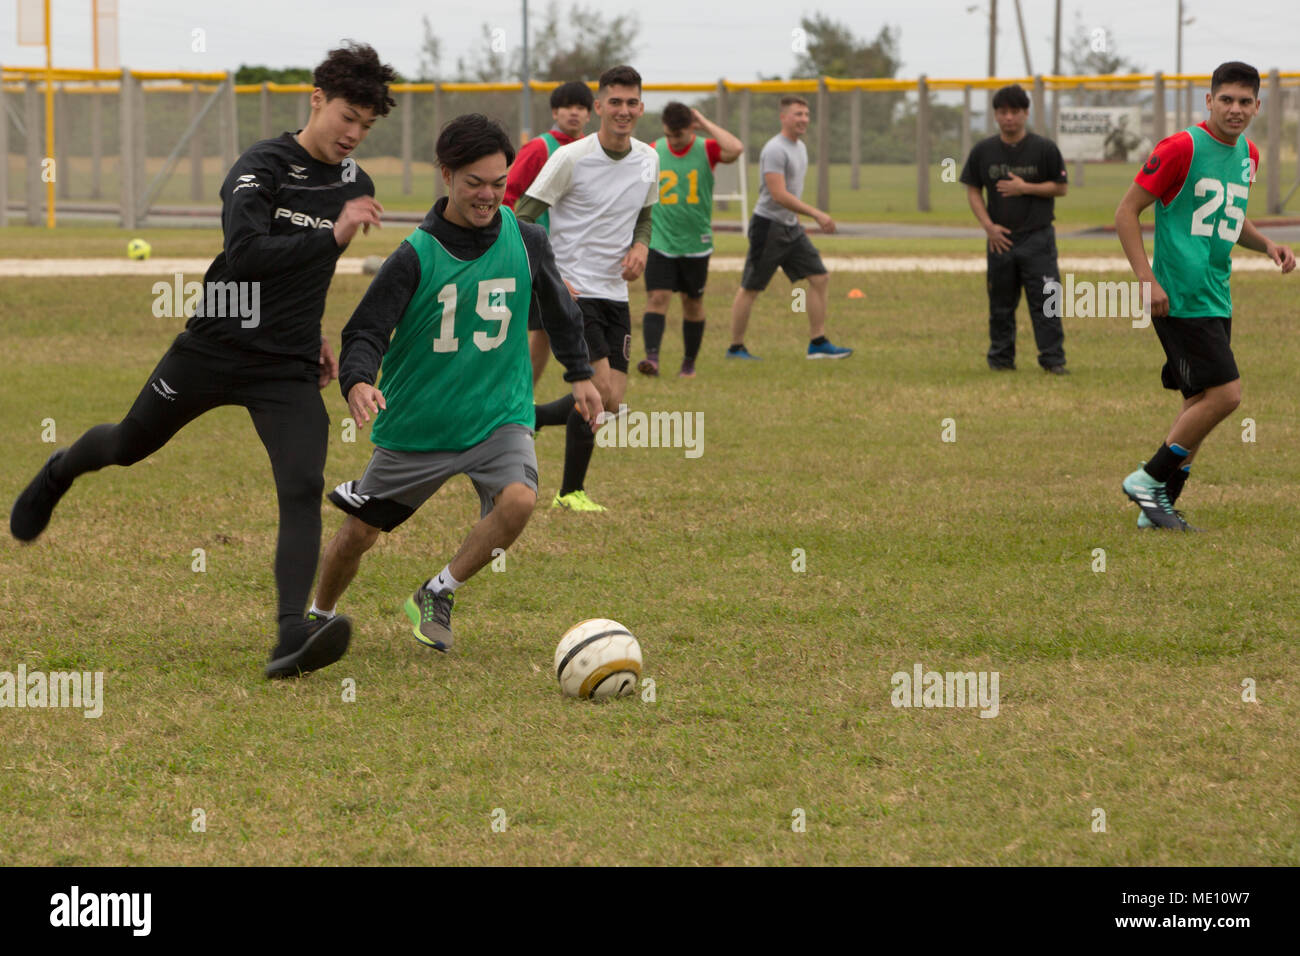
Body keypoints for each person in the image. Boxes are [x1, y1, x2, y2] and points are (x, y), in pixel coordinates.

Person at [9, 42, 395, 679]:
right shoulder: (259, 167)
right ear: (317, 99)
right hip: (214, 344)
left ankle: (288, 638)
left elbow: (309, 274)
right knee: (130, 444)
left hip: (288, 365)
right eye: (347, 116)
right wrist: (331, 235)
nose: (354, 134)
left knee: (301, 487)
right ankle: (59, 471)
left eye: (367, 125)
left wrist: (317, 331)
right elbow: (245, 256)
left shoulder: (357, 186)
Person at [311, 114, 601, 651]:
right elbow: (366, 331)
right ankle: (317, 614)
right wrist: (356, 381)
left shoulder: (527, 237)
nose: (488, 195)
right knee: (359, 534)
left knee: (518, 501)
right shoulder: (413, 256)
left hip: (498, 416)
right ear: (446, 176)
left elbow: (559, 310)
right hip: (420, 425)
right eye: (475, 183)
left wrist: (580, 375)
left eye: (499, 182)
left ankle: (438, 591)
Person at [1115, 61, 1295, 531]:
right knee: (1226, 395)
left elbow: (1229, 219)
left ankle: (1160, 508)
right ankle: (1147, 479)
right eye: (1226, 100)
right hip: (1178, 296)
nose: (1235, 110)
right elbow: (1126, 212)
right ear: (1209, 101)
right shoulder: (1181, 148)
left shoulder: (1248, 155)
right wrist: (1145, 278)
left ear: (1258, 106)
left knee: (1197, 403)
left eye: (1244, 101)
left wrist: (1268, 246)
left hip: (1217, 295)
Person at [514, 65, 659, 513]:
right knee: (596, 395)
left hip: (616, 292)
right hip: (574, 293)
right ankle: (570, 493)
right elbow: (522, 218)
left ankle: (522, 419)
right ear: (599, 107)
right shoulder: (570, 158)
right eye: (614, 102)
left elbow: (645, 217)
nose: (624, 110)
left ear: (640, 107)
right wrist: (549, 278)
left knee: (612, 401)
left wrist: (641, 246)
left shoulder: (648, 159)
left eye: (631, 102)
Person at [727, 95, 850, 361]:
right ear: (783, 117)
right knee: (751, 287)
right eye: (798, 114)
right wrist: (816, 213)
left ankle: (817, 343)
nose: (804, 119)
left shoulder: (800, 148)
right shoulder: (775, 149)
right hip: (768, 227)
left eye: (806, 114)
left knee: (819, 277)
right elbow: (778, 195)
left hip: (790, 227)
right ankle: (735, 348)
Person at [961, 84, 1069, 374]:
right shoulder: (983, 151)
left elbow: (1061, 188)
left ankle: (1052, 359)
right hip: (1000, 239)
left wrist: (1026, 187)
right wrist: (988, 227)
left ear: (1026, 113)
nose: (1009, 118)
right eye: (1003, 112)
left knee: (1047, 300)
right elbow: (973, 190)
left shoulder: (1044, 149)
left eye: (1015, 112)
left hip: (1038, 238)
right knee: (1000, 304)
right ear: (995, 115)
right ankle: (1000, 360)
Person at [637, 102, 742, 379]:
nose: (673, 140)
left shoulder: (706, 149)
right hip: (660, 240)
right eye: (669, 135)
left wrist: (704, 122)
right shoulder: (653, 150)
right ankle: (652, 359)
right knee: (657, 297)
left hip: (696, 242)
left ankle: (688, 365)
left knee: (692, 303)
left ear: (691, 128)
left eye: (679, 135)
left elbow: (736, 149)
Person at [503, 79, 594, 385]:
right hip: (544, 254)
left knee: (570, 324)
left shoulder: (593, 149)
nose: (574, 113)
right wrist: (515, 237)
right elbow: (509, 193)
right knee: (539, 330)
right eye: (568, 106)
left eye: (581, 107)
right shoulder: (541, 147)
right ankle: (521, 396)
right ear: (555, 111)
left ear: (590, 114)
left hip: (581, 254)